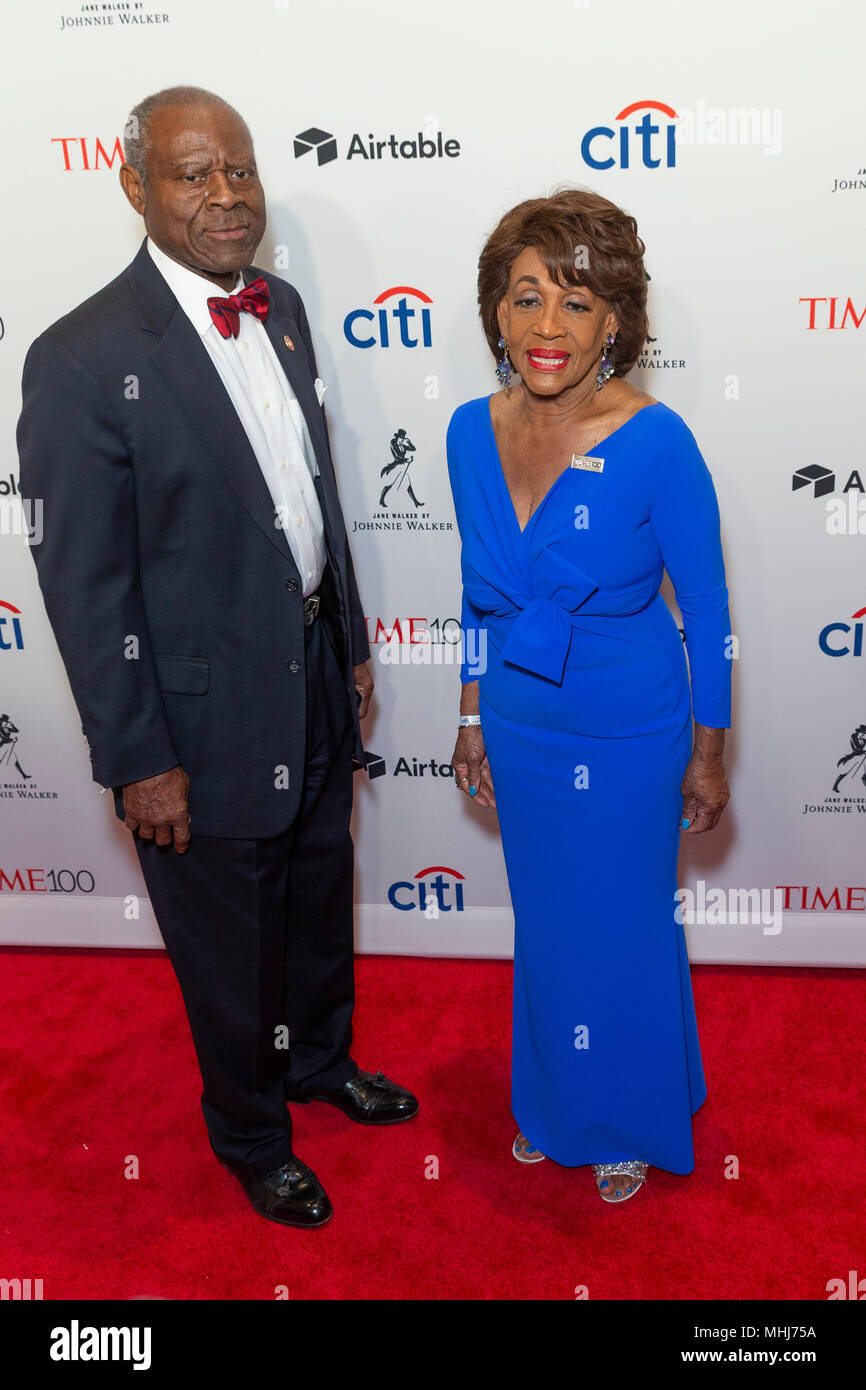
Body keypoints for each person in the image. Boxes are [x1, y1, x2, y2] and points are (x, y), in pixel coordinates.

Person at [18, 85, 417, 1230]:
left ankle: (318, 1064)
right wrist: (137, 754)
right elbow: (85, 588)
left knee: (311, 894)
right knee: (229, 939)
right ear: (133, 184)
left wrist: (341, 640)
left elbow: (307, 495)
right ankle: (250, 1132)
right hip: (193, 719)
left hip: (308, 674)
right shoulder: (81, 358)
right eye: (196, 173)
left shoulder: (280, 306)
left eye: (239, 169)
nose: (228, 193)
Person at [447, 189, 731, 1204]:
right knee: (551, 918)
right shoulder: (464, 433)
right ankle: (556, 1100)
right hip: (522, 724)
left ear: (615, 318)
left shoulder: (656, 442)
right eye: (525, 298)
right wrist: (472, 713)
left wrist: (709, 747)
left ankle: (625, 1114)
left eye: (575, 301)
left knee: (621, 919)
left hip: (627, 723)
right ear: (495, 313)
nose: (547, 327)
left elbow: (703, 603)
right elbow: (479, 596)